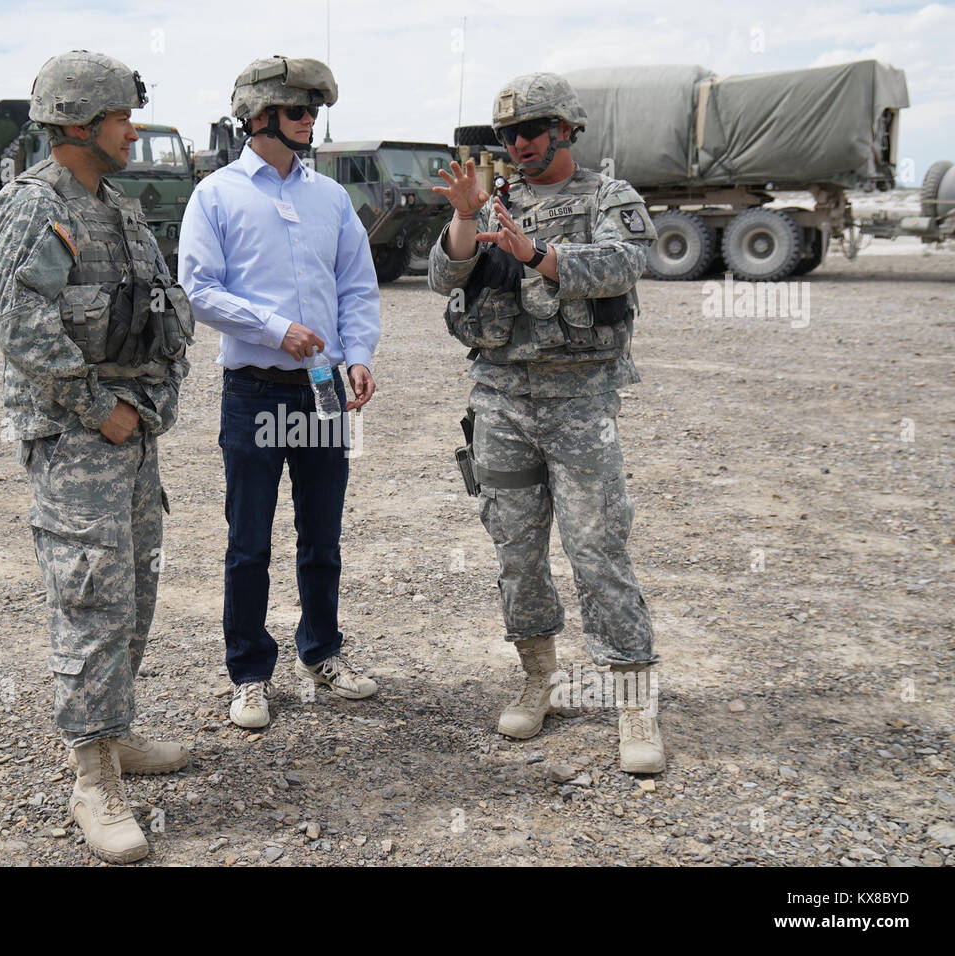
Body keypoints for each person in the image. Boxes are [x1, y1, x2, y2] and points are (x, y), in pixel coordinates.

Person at [0, 50, 194, 863]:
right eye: (121, 118)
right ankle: (92, 778)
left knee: (134, 589)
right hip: (81, 440)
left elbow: (160, 309)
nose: (132, 130)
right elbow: (22, 329)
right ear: (79, 124)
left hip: (130, 434)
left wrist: (146, 405)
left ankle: (118, 732)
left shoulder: (119, 207)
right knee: (90, 599)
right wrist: (98, 409)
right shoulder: (36, 207)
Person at [429, 73, 665, 774]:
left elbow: (624, 263)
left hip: (580, 400)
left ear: (566, 129)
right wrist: (468, 219)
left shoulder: (605, 197)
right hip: (501, 398)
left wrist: (536, 253)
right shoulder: (493, 202)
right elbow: (446, 276)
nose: (519, 144)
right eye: (508, 135)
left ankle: (633, 697)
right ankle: (540, 676)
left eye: (531, 130)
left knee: (598, 551)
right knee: (516, 551)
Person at [178, 55, 381, 730]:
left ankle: (321, 652)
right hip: (255, 392)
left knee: (322, 538)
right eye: (299, 111)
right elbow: (199, 290)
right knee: (249, 541)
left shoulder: (329, 198)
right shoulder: (217, 196)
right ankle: (249, 673)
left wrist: (357, 355)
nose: (310, 121)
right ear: (259, 117)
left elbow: (356, 284)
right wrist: (273, 328)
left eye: (315, 111)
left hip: (323, 393)